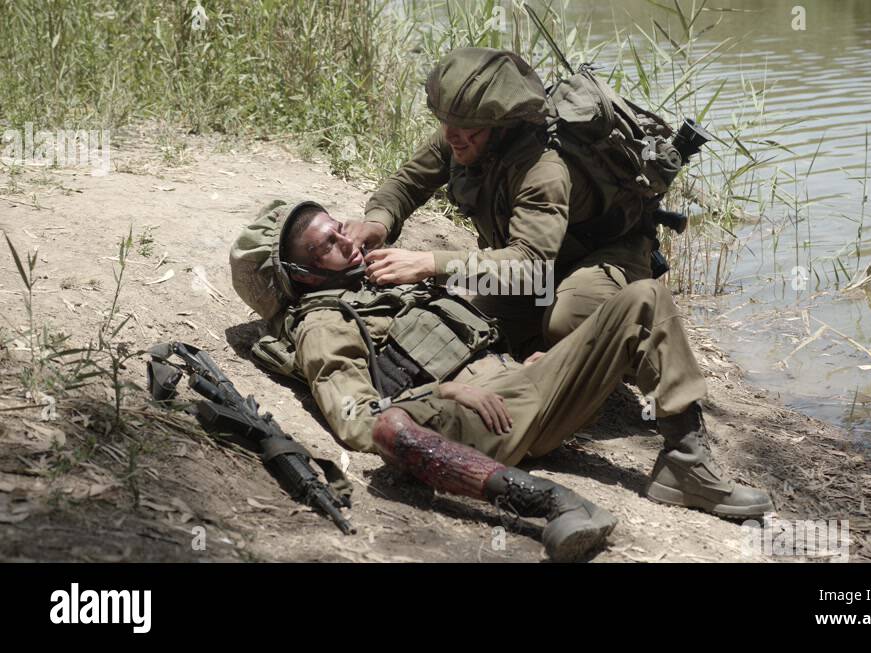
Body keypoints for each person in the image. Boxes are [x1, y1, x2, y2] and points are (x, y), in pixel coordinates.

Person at [229, 199, 774, 561]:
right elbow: (357, 422)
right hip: (473, 422)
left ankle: (683, 464)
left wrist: (525, 364)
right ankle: (565, 498)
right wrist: (445, 391)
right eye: (325, 246)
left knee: (642, 294)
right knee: (643, 302)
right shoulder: (324, 324)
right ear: (299, 276)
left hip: (513, 391)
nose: (347, 242)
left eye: (338, 228)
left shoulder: (378, 285)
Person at [345, 47, 658, 356]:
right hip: (537, 273)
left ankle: (639, 341)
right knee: (461, 327)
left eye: (466, 127)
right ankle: (546, 343)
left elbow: (531, 267)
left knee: (565, 322)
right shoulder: (461, 134)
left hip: (597, 258)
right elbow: (407, 184)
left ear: (501, 124)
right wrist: (378, 222)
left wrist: (429, 264)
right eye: (445, 121)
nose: (451, 135)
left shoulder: (542, 169)